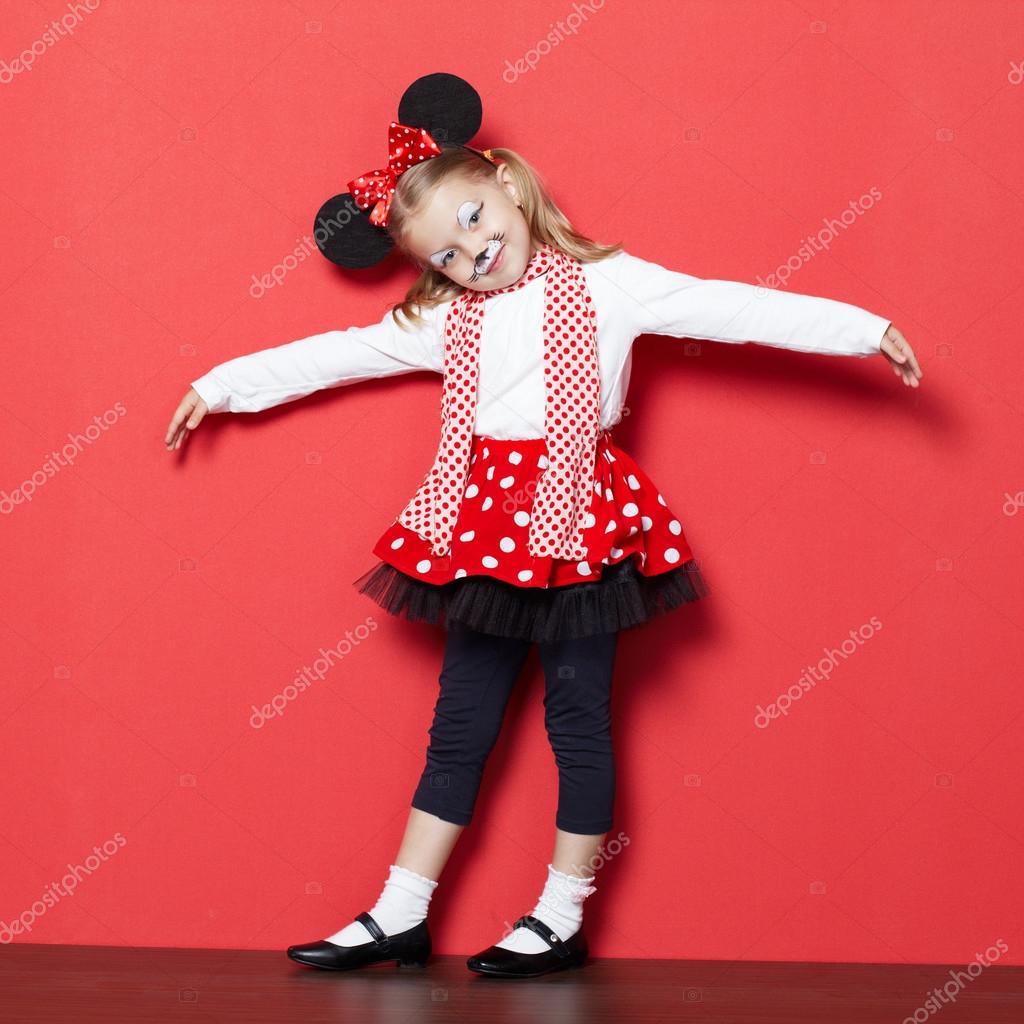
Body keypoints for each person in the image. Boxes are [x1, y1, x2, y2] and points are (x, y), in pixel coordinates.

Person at [164, 85, 922, 980]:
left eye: (478, 219)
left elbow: (735, 308)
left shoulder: (613, 285)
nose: (477, 251)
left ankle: (561, 918)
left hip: (581, 526)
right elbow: (333, 354)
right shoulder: (445, 319)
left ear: (508, 185)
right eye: (449, 251)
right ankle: (401, 913)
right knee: (460, 723)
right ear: (432, 267)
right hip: (481, 530)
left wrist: (864, 329)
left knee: (578, 721)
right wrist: (220, 385)